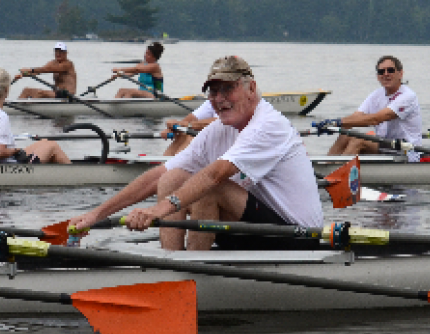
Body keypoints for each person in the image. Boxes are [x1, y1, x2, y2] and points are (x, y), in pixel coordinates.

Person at [69, 56, 323, 251]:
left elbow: (215, 176)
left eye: (228, 89)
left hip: (297, 237)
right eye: (214, 91)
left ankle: (188, 271)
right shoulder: (217, 129)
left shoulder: (267, 125)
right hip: (255, 229)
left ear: (251, 88)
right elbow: (160, 175)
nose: (220, 98)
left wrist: (158, 211)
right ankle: (172, 262)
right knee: (172, 178)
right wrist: (96, 214)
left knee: (210, 185)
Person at [318, 55, 423, 162]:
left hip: (407, 150)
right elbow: (356, 117)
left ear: (400, 74)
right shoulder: (376, 95)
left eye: (390, 70)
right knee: (345, 134)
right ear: (378, 77)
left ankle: (339, 174)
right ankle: (327, 166)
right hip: (386, 145)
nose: (386, 74)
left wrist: (338, 123)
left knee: (358, 140)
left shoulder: (408, 96)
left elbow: (376, 119)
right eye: (381, 72)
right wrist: (331, 125)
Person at [0, 68, 71, 164]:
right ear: (7, 91)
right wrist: (15, 150)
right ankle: (76, 176)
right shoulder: (0, 116)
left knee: (45, 142)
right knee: (52, 146)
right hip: (7, 166)